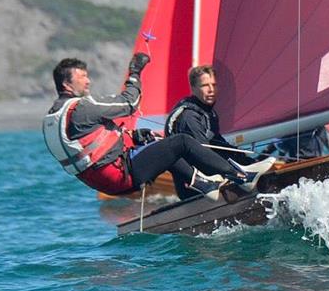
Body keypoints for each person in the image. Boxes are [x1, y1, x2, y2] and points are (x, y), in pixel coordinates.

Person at [42, 55, 271, 200]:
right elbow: (130, 103)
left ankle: (204, 184)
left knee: (162, 146)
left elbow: (90, 145)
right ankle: (242, 176)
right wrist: (135, 72)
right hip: (123, 175)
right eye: (82, 77)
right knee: (181, 141)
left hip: (106, 182)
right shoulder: (81, 108)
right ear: (67, 84)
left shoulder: (52, 120)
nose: (88, 81)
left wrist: (134, 136)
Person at [164, 65, 269, 196]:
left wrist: (248, 161)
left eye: (213, 85)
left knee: (258, 171)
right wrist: (236, 174)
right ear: (193, 88)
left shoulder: (208, 113)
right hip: (197, 189)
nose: (211, 90)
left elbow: (219, 145)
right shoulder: (188, 117)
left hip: (214, 178)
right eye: (205, 85)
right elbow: (203, 155)